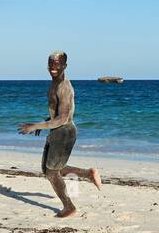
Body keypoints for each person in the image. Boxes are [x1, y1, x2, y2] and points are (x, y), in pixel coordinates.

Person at [19, 51, 102, 218]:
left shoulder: (64, 87)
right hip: (57, 130)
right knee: (49, 169)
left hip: (64, 132)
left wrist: (36, 125)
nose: (53, 68)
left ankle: (69, 207)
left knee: (51, 172)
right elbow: (56, 114)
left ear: (64, 66)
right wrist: (44, 123)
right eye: (50, 64)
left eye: (57, 64)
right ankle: (88, 174)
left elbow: (63, 118)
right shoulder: (54, 83)